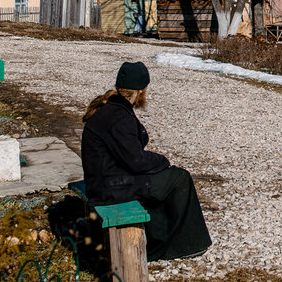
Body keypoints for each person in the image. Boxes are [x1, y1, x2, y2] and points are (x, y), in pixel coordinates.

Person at [80, 61, 211, 262]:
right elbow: (136, 161)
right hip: (110, 187)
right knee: (179, 178)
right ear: (140, 91)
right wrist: (162, 161)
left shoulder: (110, 109)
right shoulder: (118, 117)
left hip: (106, 179)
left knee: (164, 179)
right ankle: (184, 244)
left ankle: (162, 235)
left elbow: (128, 156)